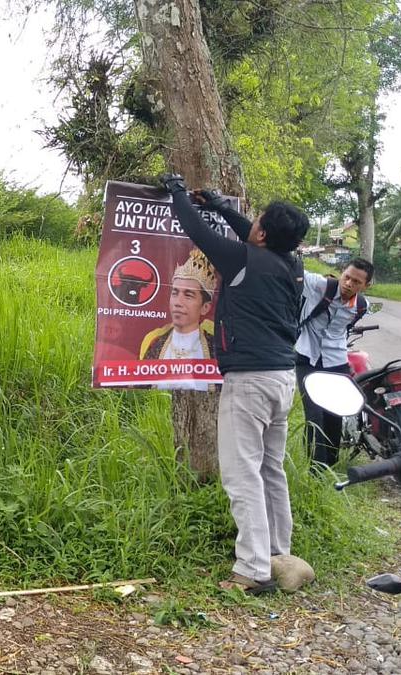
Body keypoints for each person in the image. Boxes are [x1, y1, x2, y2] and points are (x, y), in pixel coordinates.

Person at [159, 174, 309, 595]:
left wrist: (176, 192)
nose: (252, 226)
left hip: (250, 382)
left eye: (256, 221)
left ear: (262, 232)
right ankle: (280, 553)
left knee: (242, 474)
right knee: (270, 469)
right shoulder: (291, 263)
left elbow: (197, 233)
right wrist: (225, 207)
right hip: (283, 379)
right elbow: (254, 237)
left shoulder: (242, 261)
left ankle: (253, 570)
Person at [295, 259, 374, 468]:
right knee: (314, 415)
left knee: (334, 413)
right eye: (347, 277)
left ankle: (330, 465)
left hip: (336, 361)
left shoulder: (361, 306)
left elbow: (347, 328)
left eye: (356, 282)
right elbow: (292, 269)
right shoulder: (320, 285)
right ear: (341, 273)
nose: (348, 283)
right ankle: (316, 471)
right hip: (306, 358)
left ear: (366, 286)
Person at [138, 248, 217, 391]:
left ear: (205, 307)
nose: (178, 302)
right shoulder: (154, 342)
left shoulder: (216, 348)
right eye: (175, 293)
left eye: (188, 295)